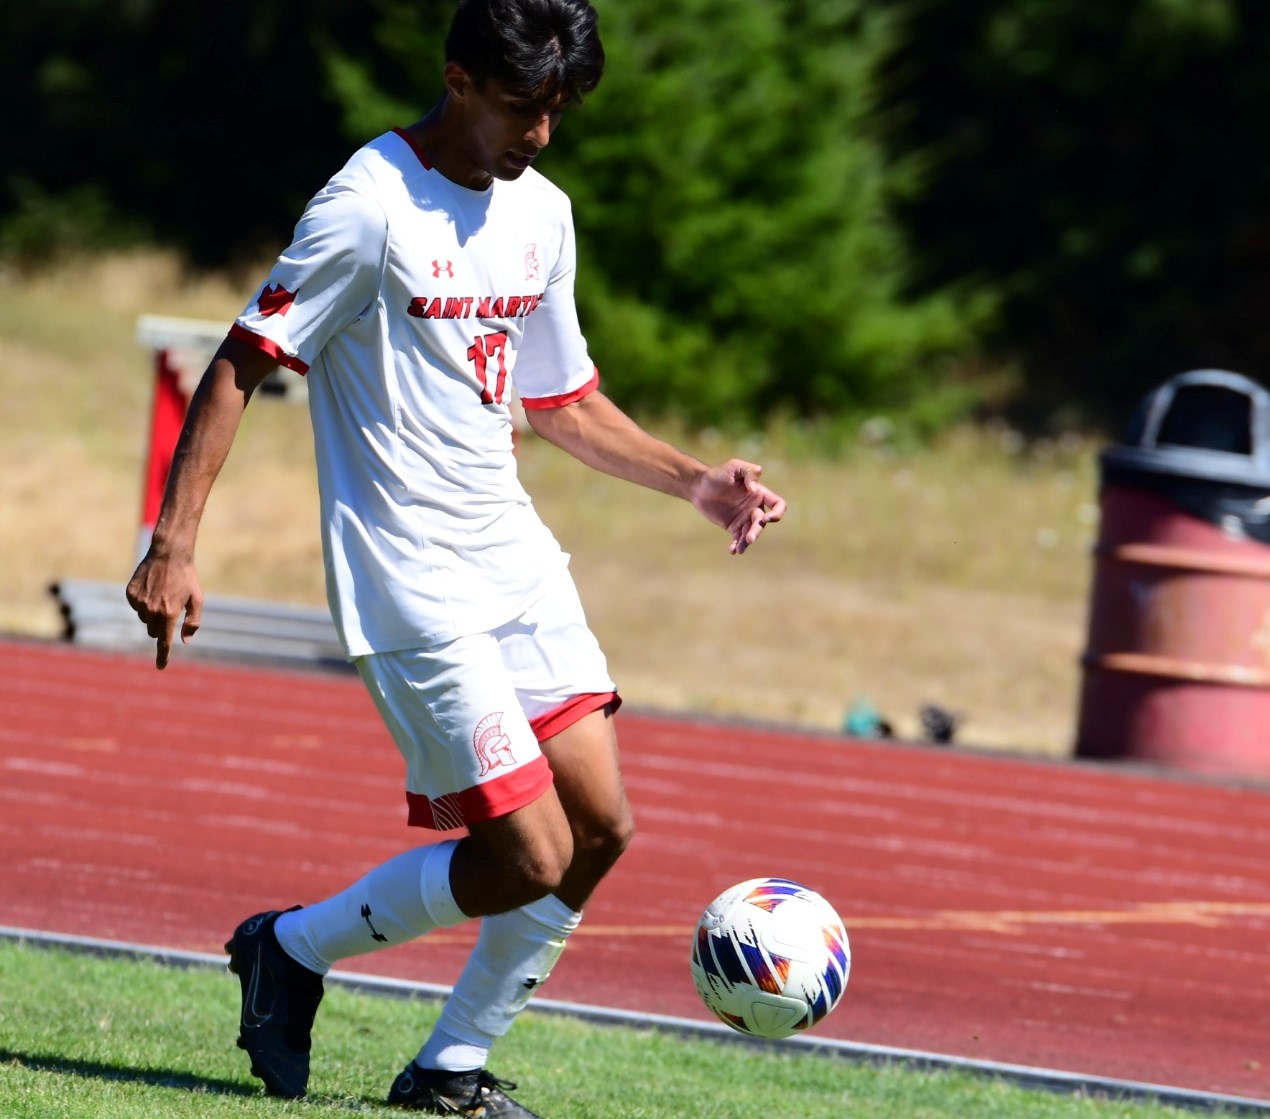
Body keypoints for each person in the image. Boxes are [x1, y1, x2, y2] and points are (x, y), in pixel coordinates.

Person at [127, 1, 784, 1113]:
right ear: (459, 81)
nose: (540, 133)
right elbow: (243, 358)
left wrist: (691, 482)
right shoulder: (367, 204)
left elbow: (560, 400)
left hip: (512, 561)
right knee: (525, 855)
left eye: (559, 111)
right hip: (408, 580)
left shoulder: (544, 215)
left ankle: (449, 1069)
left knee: (601, 831)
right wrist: (172, 544)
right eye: (525, 107)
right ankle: (291, 948)